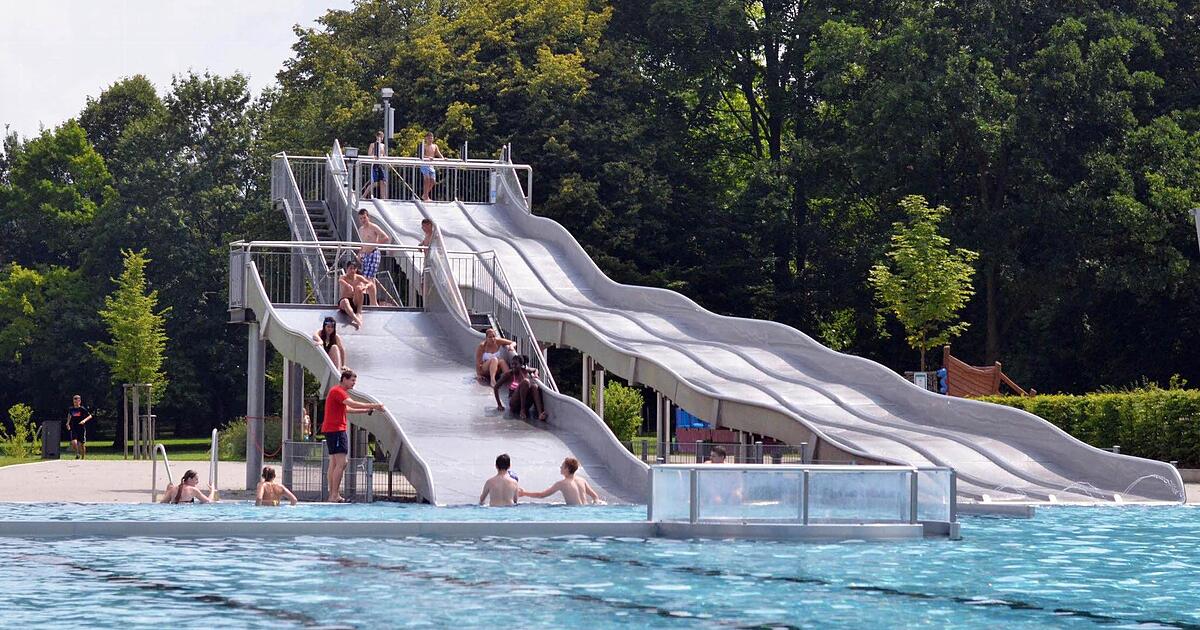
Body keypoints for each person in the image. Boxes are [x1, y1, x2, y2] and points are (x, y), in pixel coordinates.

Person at [323, 368, 384, 503]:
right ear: (344, 379)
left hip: (331, 429)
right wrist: (376, 405)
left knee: (334, 463)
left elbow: (347, 409)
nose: (354, 383)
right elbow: (352, 403)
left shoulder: (336, 392)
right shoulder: (338, 391)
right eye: (352, 380)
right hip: (336, 430)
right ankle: (334, 495)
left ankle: (333, 494)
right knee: (342, 462)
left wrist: (367, 410)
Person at [519, 457, 604, 505]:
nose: (560, 467)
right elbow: (595, 496)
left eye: (562, 466)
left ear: (567, 469)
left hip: (574, 514)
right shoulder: (582, 480)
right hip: (586, 512)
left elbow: (541, 495)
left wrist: (524, 493)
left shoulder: (562, 484)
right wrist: (595, 504)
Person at [493, 355, 547, 420]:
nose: (513, 366)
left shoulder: (525, 371)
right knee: (525, 382)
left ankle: (540, 414)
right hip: (514, 404)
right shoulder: (509, 374)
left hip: (526, 403)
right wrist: (499, 404)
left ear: (521, 365)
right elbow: (496, 387)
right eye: (512, 364)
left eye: (515, 364)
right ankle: (522, 410)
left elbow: (536, 369)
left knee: (534, 386)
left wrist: (535, 374)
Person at [356, 208, 391, 307]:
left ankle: (373, 303)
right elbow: (363, 244)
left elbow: (385, 237)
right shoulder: (361, 230)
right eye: (361, 218)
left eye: (364, 218)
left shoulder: (373, 227)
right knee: (371, 279)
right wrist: (360, 253)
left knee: (368, 278)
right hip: (365, 255)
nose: (363, 220)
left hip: (373, 253)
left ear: (368, 217)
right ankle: (373, 302)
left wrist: (374, 244)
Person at [338, 260, 369, 329]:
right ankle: (356, 319)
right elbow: (340, 280)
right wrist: (348, 285)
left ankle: (359, 312)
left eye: (354, 268)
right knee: (345, 301)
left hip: (355, 302)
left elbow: (369, 283)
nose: (352, 270)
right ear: (347, 269)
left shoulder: (358, 277)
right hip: (345, 304)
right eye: (350, 268)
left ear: (356, 269)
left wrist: (365, 287)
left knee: (359, 288)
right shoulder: (343, 277)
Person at [362, 130, 389, 200]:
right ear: (377, 137)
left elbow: (385, 155)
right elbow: (369, 154)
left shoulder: (383, 145)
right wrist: (374, 156)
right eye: (380, 137)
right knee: (375, 183)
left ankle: (383, 198)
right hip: (374, 165)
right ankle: (364, 195)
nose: (381, 138)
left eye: (382, 137)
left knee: (383, 182)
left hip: (381, 164)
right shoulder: (372, 145)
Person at [419, 132, 444, 202]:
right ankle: (426, 197)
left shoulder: (435, 146)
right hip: (425, 164)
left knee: (433, 181)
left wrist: (443, 158)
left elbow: (438, 153)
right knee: (426, 179)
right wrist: (428, 157)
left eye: (431, 138)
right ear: (426, 138)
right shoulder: (424, 146)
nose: (430, 139)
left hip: (431, 165)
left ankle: (425, 195)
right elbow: (422, 155)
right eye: (429, 138)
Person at [65, 395, 92, 459]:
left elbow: (90, 416)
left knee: (81, 445)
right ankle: (77, 454)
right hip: (73, 427)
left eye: (76, 401)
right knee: (74, 442)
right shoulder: (71, 409)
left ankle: (83, 458)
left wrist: (84, 421)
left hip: (81, 428)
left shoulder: (82, 409)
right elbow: (69, 415)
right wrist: (68, 423)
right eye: (74, 401)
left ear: (79, 401)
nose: (75, 403)